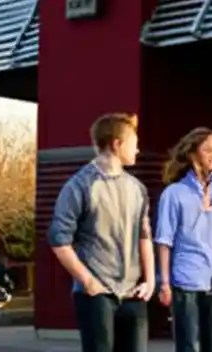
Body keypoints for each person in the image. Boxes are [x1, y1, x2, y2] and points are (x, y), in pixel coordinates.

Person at [49, 112, 155, 352]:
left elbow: (144, 236)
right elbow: (59, 240)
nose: (138, 150)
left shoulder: (137, 188)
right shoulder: (80, 186)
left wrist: (150, 280)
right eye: (134, 144)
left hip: (133, 294)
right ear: (117, 144)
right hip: (96, 294)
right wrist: (87, 281)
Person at [156, 127, 212, 352]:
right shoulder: (174, 194)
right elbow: (164, 241)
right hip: (186, 280)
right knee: (189, 347)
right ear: (193, 154)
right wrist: (164, 283)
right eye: (208, 150)